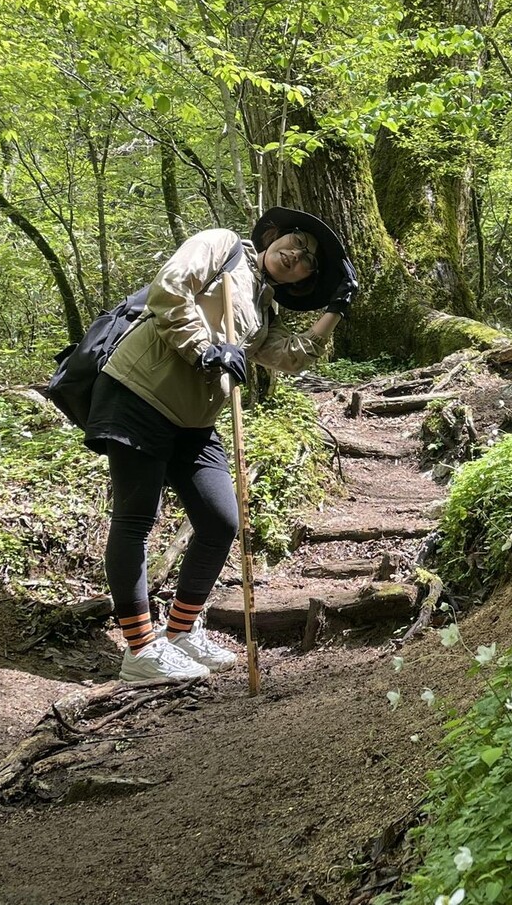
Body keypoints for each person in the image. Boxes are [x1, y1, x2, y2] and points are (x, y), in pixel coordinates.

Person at [85, 207, 359, 682]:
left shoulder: (263, 304)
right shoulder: (221, 245)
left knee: (219, 521)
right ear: (275, 235)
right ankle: (141, 650)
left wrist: (335, 309)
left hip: (193, 420)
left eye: (307, 263)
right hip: (139, 394)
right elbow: (168, 289)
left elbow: (290, 358)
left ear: (302, 281)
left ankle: (179, 632)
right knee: (136, 519)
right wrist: (206, 348)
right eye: (297, 242)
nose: (297, 255)